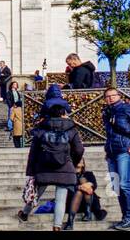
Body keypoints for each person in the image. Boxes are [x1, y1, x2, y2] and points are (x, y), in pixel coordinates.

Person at [20, 99, 84, 231]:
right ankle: (57, 226)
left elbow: (33, 153)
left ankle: (25, 213)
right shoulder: (71, 129)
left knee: (35, 193)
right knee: (61, 198)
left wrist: (30, 172)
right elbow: (79, 150)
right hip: (65, 167)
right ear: (63, 114)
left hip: (44, 167)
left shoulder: (41, 130)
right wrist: (72, 161)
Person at [102, 85, 130, 230]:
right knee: (116, 187)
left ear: (119, 96)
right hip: (111, 152)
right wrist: (107, 151)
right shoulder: (107, 112)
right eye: (107, 96)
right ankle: (125, 217)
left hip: (124, 150)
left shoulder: (126, 108)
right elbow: (109, 134)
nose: (110, 98)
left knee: (124, 184)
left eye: (113, 95)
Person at [67, 157, 109, 225]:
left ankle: (71, 222)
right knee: (79, 191)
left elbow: (94, 185)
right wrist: (80, 187)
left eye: (81, 160)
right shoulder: (69, 175)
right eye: (78, 160)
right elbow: (69, 188)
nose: (79, 161)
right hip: (73, 202)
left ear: (83, 164)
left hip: (89, 201)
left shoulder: (89, 174)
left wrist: (88, 185)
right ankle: (87, 213)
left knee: (84, 182)